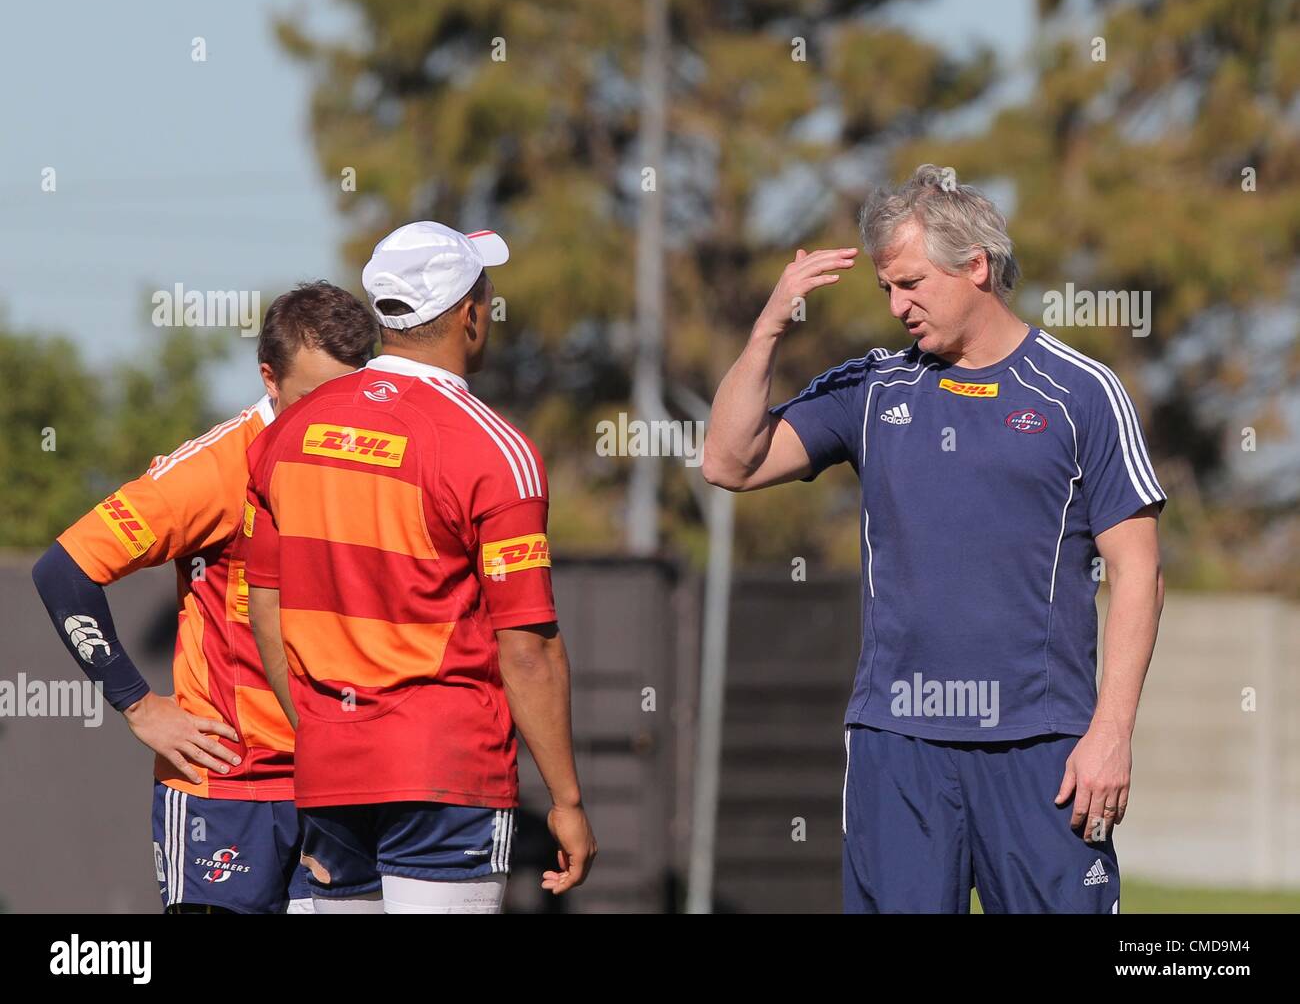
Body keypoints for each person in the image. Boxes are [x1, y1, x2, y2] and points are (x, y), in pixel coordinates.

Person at [702, 164, 1165, 914]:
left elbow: (1138, 575)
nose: (897, 305)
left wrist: (1111, 733)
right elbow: (728, 460)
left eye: (911, 282)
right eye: (886, 287)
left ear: (976, 266)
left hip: (1043, 748)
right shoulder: (874, 387)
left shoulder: (1081, 393)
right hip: (899, 744)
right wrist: (768, 329)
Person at [244, 221, 596, 914]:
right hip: (446, 771)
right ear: (469, 314)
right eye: (485, 298)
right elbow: (526, 650)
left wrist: (319, 727)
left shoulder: (288, 433)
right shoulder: (497, 450)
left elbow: (266, 607)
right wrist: (567, 799)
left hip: (331, 772)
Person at [32, 282, 378, 913]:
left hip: (342, 785)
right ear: (269, 379)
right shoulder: (216, 470)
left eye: (349, 396)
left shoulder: (379, 461)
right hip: (227, 793)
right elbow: (64, 570)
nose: (334, 418)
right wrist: (138, 707)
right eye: (313, 399)